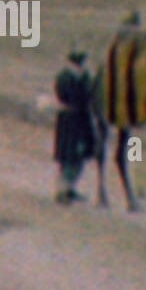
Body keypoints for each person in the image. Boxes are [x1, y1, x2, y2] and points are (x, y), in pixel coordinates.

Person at [53, 51, 97, 203]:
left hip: (75, 119)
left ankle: (68, 189)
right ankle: (62, 191)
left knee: (75, 157)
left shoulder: (72, 76)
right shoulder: (70, 78)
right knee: (71, 158)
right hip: (73, 120)